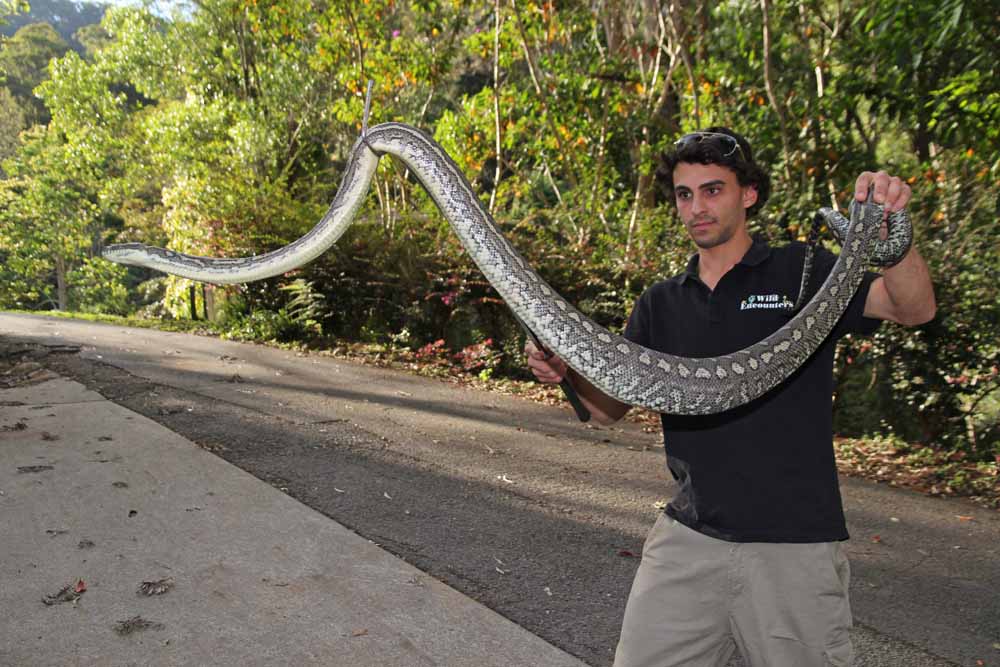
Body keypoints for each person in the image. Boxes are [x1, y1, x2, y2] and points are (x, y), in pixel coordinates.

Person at [525, 128, 936, 667]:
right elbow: (606, 409)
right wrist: (566, 373)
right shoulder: (662, 301)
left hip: (794, 548)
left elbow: (913, 308)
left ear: (749, 194)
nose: (697, 207)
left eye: (713, 190)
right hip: (688, 540)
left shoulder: (802, 271)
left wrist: (894, 239)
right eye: (684, 194)